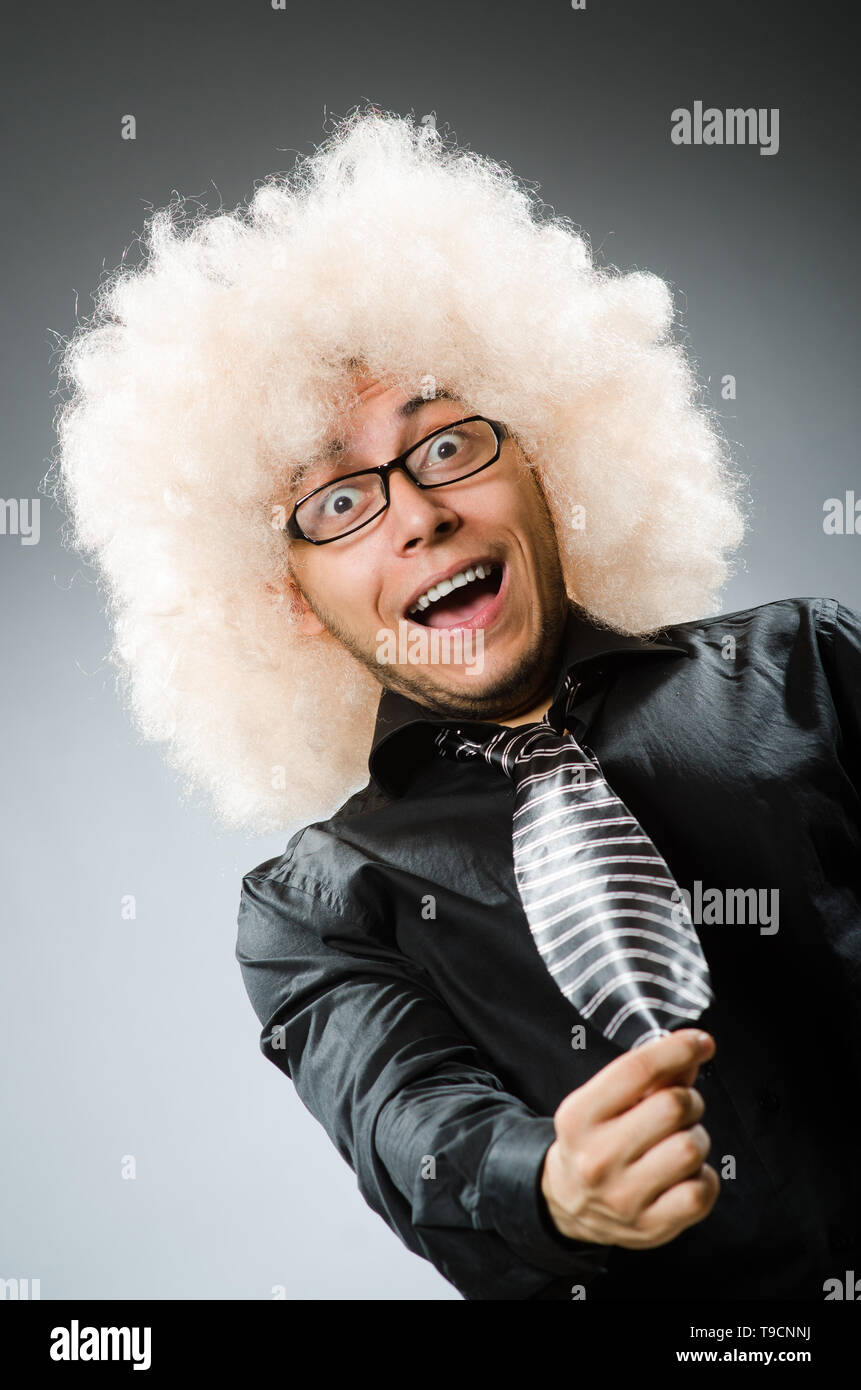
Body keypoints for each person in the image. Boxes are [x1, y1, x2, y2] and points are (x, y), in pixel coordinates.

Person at [52, 105, 861, 1301]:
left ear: (548, 452)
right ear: (286, 599)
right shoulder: (318, 910)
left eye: (446, 444)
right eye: (335, 502)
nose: (417, 513)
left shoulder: (811, 665)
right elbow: (410, 1122)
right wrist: (550, 1181)